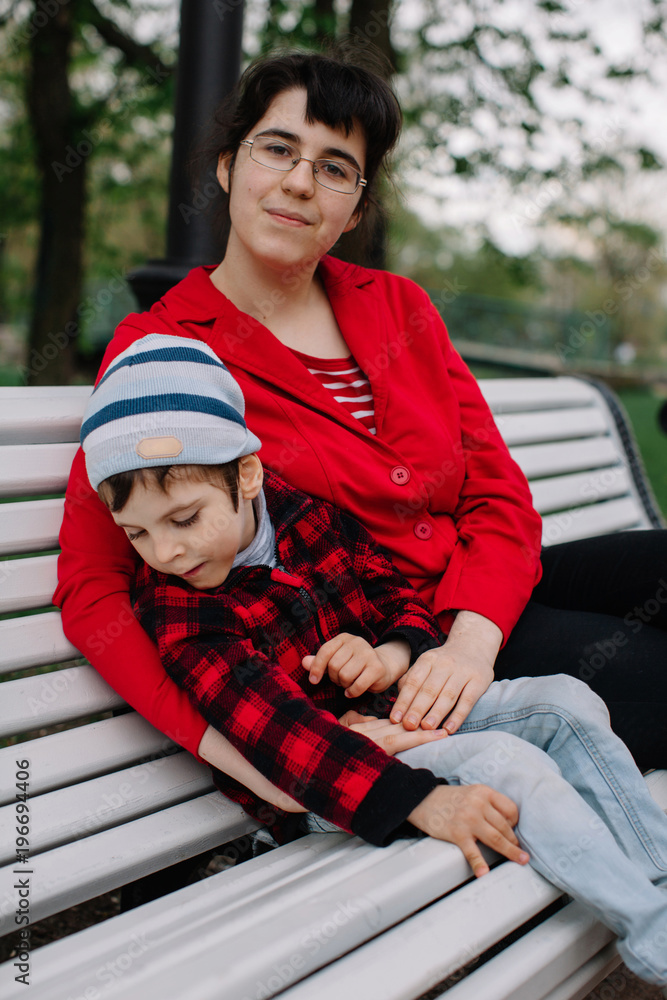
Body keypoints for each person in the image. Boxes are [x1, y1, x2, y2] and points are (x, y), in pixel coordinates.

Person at [54, 47, 667, 791]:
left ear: (353, 209)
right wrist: (240, 756)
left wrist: (472, 640)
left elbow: (497, 495)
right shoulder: (163, 353)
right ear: (226, 166)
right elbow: (93, 586)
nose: (299, 182)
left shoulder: (397, 306)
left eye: (334, 166)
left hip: (477, 605)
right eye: (277, 148)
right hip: (372, 644)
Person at [78, 333, 667, 987]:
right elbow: (277, 735)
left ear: (245, 474)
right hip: (328, 784)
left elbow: (397, 600)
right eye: (137, 532)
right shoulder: (184, 615)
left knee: (566, 698)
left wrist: (387, 654)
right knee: (516, 766)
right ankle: (653, 942)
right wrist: (412, 799)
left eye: (185, 519)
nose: (165, 552)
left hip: (395, 719)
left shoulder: (311, 521)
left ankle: (657, 880)